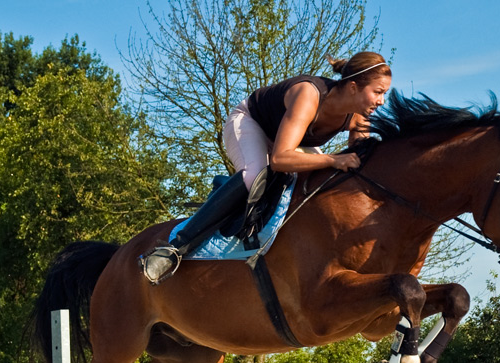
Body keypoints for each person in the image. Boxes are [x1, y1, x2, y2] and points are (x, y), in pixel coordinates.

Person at [140, 51, 393, 284]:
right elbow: (281, 159)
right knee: (255, 175)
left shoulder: (359, 114)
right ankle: (174, 249)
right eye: (378, 92)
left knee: (320, 181)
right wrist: (332, 159)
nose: (381, 101)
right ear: (352, 87)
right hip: (250, 124)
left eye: (384, 94)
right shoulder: (309, 94)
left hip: (289, 142)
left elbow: (360, 161)